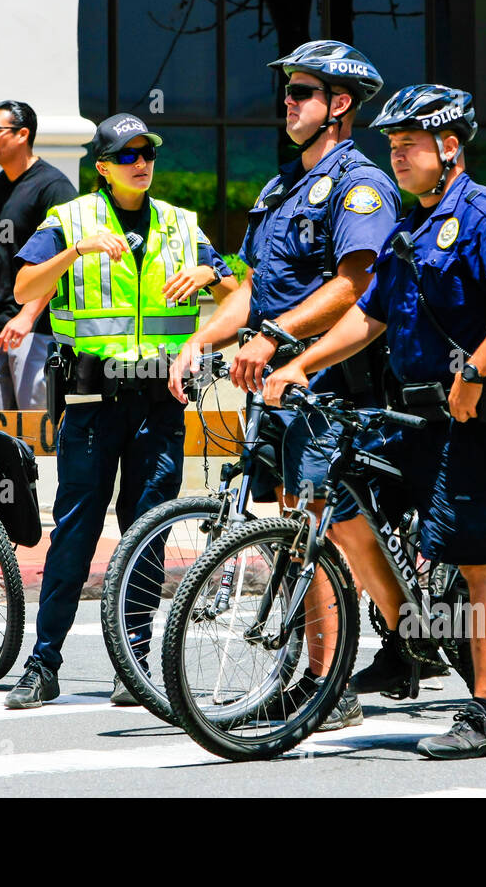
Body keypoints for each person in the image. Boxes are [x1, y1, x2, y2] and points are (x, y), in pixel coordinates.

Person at [265, 84, 486, 759]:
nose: (397, 158)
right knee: (344, 500)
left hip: (476, 409)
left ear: (449, 147)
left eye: (410, 146)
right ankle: (409, 642)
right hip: (417, 411)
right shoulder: (410, 228)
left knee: (474, 556)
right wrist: (303, 364)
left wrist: (476, 370)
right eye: (391, 146)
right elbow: (370, 315)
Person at [168, 39, 401, 730]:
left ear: (339, 106)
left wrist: (275, 339)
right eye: (288, 92)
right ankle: (357, 654)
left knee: (313, 528)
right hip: (275, 388)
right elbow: (253, 288)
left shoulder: (361, 184)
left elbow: (355, 283)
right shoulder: (281, 186)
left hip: (331, 381)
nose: (288, 103)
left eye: (302, 93)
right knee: (298, 530)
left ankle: (332, 684)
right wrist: (200, 340)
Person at [4, 112, 236, 708]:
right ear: (103, 168)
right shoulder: (71, 219)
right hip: (91, 404)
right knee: (76, 533)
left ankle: (131, 663)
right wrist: (76, 252)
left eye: (146, 152)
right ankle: (43, 664)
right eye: (127, 155)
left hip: (160, 404)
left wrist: (212, 273)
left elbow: (240, 294)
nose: (141, 163)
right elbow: (24, 288)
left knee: (147, 532)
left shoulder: (183, 226)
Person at [0, 101, 78, 410]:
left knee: (38, 431)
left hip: (37, 331)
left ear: (22, 134)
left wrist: (27, 316)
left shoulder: (54, 188)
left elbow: (66, 261)